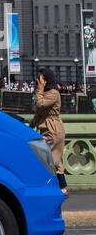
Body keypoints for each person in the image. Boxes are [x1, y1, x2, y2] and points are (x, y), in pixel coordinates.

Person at [31, 67, 67, 195]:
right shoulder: (45, 92)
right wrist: (31, 126)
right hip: (46, 128)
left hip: (53, 130)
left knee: (47, 160)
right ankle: (62, 188)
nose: (38, 81)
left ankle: (47, 189)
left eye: (40, 79)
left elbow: (40, 104)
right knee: (55, 162)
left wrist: (39, 89)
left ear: (46, 80)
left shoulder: (53, 93)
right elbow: (39, 113)